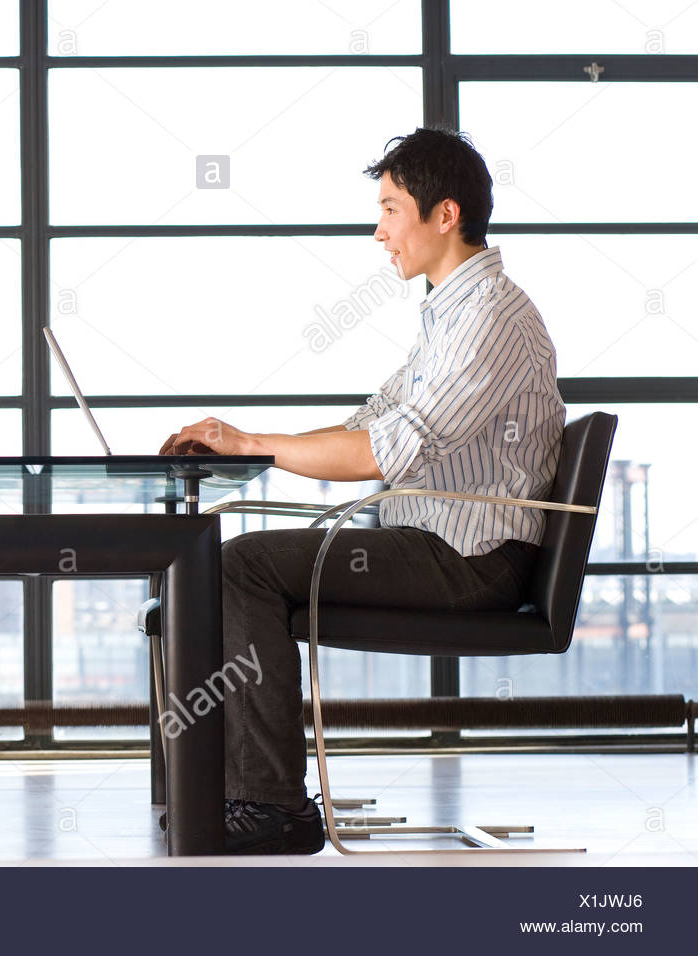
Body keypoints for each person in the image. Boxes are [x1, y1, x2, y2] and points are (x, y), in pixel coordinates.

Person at [161, 128, 565, 854]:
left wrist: (252, 445)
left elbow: (388, 448)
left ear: (444, 215)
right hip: (437, 544)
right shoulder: (450, 314)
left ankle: (272, 807)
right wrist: (243, 441)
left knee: (239, 566)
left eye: (390, 209)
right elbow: (367, 423)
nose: (378, 231)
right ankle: (226, 792)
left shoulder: (489, 317)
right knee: (221, 569)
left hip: (470, 559)